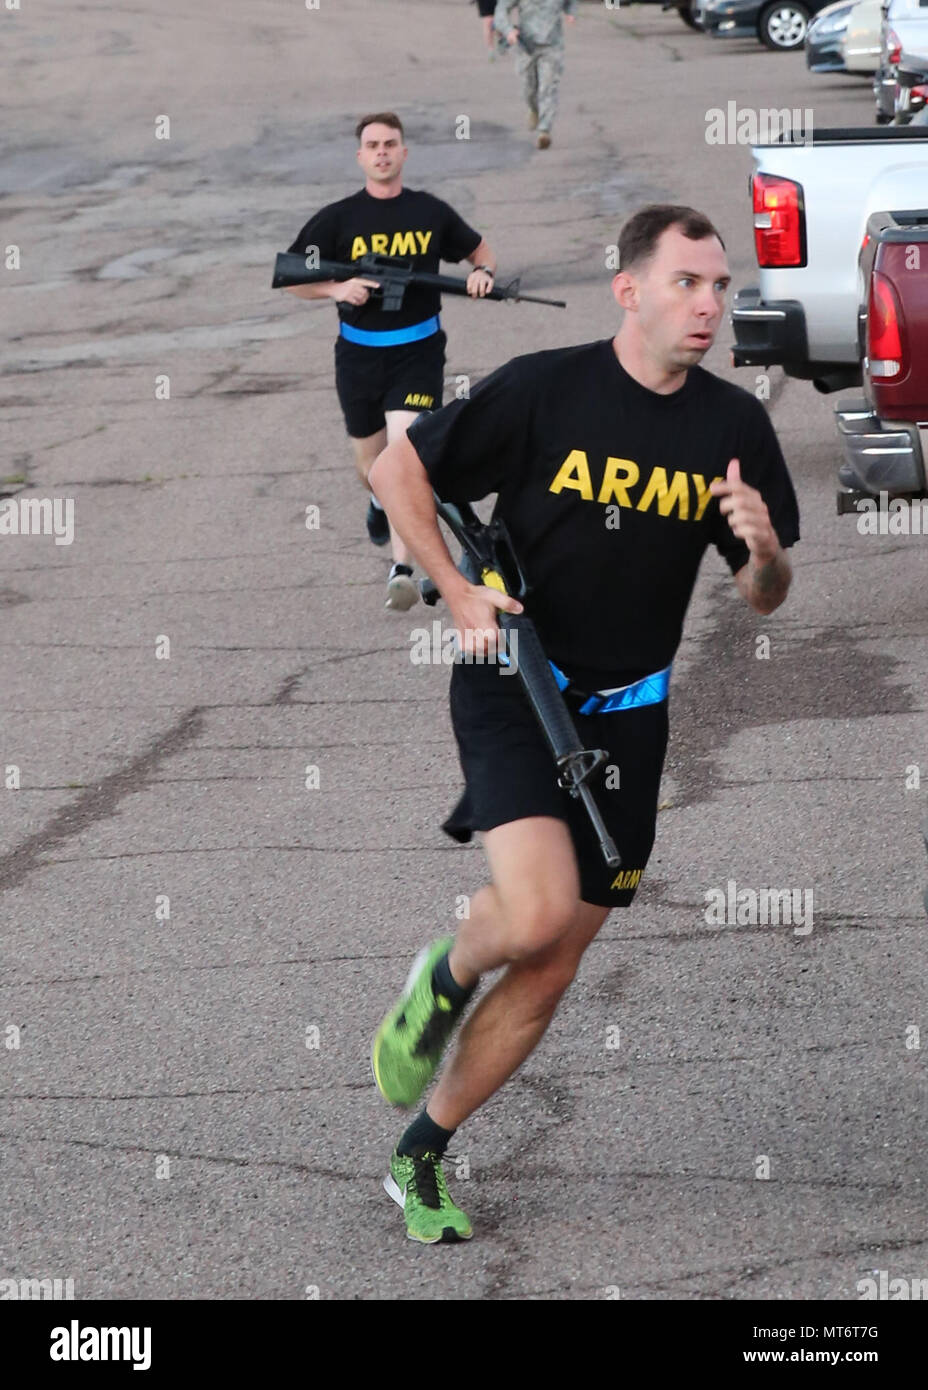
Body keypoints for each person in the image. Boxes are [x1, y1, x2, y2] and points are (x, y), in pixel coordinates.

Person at [368, 204, 800, 1243]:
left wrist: (762, 550)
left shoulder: (731, 427)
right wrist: (458, 594)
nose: (708, 306)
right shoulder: (542, 386)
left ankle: (419, 1153)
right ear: (630, 289)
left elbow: (764, 596)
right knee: (531, 913)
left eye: (719, 287)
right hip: (520, 685)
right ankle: (447, 971)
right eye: (687, 283)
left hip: (630, 720)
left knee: (556, 961)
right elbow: (395, 471)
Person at [285, 112, 498, 611]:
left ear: (404, 153)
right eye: (373, 145)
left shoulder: (430, 212)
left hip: (418, 352)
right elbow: (292, 277)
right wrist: (337, 287)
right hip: (357, 356)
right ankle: (379, 499)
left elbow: (480, 250)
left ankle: (401, 568)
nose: (382, 152)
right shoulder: (337, 219)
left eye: (390, 144)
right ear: (361, 156)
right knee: (371, 464)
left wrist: (483, 274)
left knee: (404, 454)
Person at [495, 0, 577, 149]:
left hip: (552, 46)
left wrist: (571, 12)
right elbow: (500, 11)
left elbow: (571, 2)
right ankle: (534, 109)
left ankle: (544, 131)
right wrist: (508, 31)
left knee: (548, 88)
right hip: (527, 47)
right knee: (529, 90)